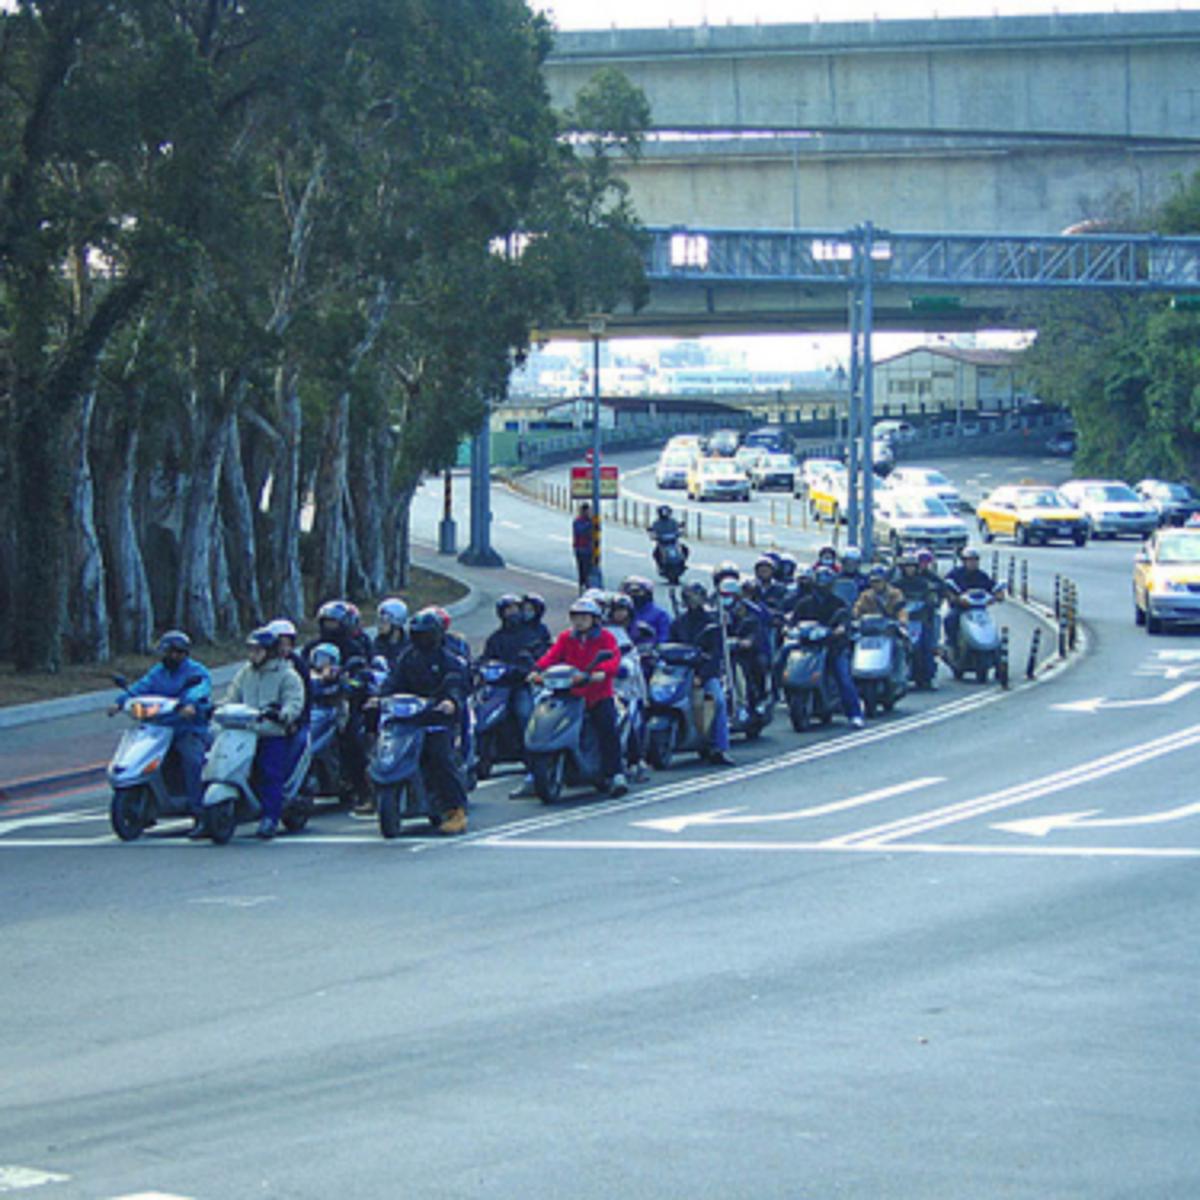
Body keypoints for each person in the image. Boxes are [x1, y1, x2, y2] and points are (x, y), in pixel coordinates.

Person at [108, 630, 212, 833]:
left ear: (184, 653)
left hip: (187, 729)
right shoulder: (158, 672)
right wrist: (120, 703)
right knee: (141, 755)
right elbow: (141, 687)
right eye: (167, 653)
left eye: (175, 653)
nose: (171, 657)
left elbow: (200, 688)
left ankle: (199, 811)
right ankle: (148, 804)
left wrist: (189, 704)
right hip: (159, 728)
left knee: (192, 761)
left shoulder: (196, 672)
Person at [380, 608, 470, 834]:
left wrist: (450, 701)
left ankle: (455, 809)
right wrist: (378, 697)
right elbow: (393, 682)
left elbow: (456, 683)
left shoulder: (448, 659)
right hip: (408, 719)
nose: (422, 639)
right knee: (384, 746)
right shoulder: (407, 658)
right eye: (417, 634)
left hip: (436, 720)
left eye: (426, 634)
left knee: (440, 757)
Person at [531, 597, 628, 796]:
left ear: (595, 619)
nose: (580, 621)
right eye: (576, 617)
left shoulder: (605, 638)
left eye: (584, 617)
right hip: (569, 693)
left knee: (607, 728)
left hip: (597, 694)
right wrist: (537, 670)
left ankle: (616, 773)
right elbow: (552, 656)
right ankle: (533, 773)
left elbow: (613, 658)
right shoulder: (567, 637)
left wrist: (601, 672)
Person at [218, 627, 306, 840]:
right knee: (217, 761)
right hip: (243, 731)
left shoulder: (287, 675)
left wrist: (282, 714)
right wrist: (216, 708)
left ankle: (270, 817)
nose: (253, 655)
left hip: (270, 733)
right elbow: (231, 697)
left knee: (269, 772)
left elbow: (294, 703)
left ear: (271, 651)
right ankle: (207, 816)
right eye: (251, 650)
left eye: (258, 650)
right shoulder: (245, 673)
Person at [786, 565, 864, 728]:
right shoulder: (804, 603)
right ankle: (774, 694)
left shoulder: (838, 603)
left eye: (826, 584)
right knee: (782, 659)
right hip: (806, 646)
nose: (822, 588)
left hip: (832, 647)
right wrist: (789, 628)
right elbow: (793, 621)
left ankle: (854, 714)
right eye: (819, 584)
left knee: (843, 677)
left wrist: (840, 629)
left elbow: (845, 620)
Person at [668, 582, 735, 765]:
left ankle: (720, 746)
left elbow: (716, 656)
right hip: (681, 673)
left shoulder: (712, 624)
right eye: (689, 597)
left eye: (696, 596)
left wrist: (702, 676)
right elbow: (669, 648)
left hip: (704, 673)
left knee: (718, 701)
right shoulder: (677, 624)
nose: (692, 601)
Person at [606, 592, 650, 781]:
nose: (619, 614)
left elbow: (627, 657)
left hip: (624, 685)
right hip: (592, 685)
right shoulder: (576, 636)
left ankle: (634, 760)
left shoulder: (626, 634)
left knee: (626, 716)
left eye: (622, 610)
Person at [892, 552, 940, 688]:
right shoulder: (896, 584)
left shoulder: (924, 583)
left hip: (921, 620)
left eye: (912, 566)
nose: (910, 570)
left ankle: (927, 676)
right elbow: (889, 599)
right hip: (902, 621)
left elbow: (933, 597)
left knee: (926, 645)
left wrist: (930, 602)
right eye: (906, 567)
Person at [944, 547, 1005, 651]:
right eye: (970, 560)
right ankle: (952, 644)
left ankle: (995, 651)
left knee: (991, 625)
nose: (973, 563)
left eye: (975, 560)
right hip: (961, 609)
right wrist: (954, 598)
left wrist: (998, 595)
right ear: (964, 561)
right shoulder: (955, 574)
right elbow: (947, 587)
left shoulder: (982, 575)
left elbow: (993, 587)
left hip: (980, 609)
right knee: (950, 619)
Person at [623, 576, 671, 645]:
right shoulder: (621, 613)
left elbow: (664, 639)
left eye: (636, 592)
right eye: (628, 592)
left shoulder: (660, 614)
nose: (632, 595)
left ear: (647, 593)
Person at [648, 504, 688, 579]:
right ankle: (660, 566)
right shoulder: (656, 523)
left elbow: (678, 528)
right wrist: (654, 535)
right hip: (662, 544)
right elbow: (653, 532)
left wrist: (680, 531)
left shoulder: (673, 522)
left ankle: (682, 563)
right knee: (655, 554)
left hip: (673, 543)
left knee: (685, 549)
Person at [372, 597, 409, 668]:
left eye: (384, 621)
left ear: (396, 623)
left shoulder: (409, 646)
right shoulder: (377, 644)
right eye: (379, 620)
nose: (379, 625)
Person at [573, 502, 596, 590]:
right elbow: (580, 531)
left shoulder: (590, 521)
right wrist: (590, 524)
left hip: (588, 549)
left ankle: (587, 585)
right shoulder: (578, 521)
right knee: (582, 570)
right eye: (587, 511)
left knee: (588, 569)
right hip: (581, 549)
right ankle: (583, 586)